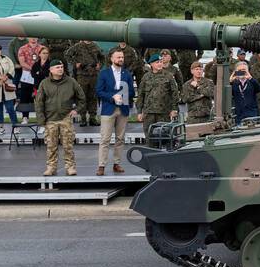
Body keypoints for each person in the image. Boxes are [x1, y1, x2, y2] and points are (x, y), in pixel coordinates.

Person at [34, 56, 84, 177]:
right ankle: (51, 167)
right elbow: (39, 102)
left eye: (62, 67)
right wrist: (41, 121)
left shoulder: (71, 81)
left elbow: (81, 98)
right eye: (57, 67)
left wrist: (76, 110)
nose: (60, 69)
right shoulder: (44, 83)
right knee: (51, 146)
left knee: (68, 145)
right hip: (50, 119)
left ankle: (70, 167)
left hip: (65, 117)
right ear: (51, 69)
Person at [95, 48, 135, 176]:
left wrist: (123, 95)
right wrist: (112, 96)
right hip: (108, 109)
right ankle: (101, 165)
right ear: (111, 59)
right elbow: (99, 91)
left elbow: (132, 92)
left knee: (120, 138)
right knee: (105, 138)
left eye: (122, 57)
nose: (121, 59)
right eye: (118, 57)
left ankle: (117, 163)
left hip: (123, 109)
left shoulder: (127, 74)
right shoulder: (104, 73)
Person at [136, 54, 178, 134]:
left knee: (164, 136)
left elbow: (174, 93)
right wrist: (139, 112)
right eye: (157, 62)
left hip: (164, 112)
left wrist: (174, 109)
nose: (159, 64)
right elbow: (141, 95)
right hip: (149, 112)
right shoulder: (146, 77)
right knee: (149, 135)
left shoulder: (168, 76)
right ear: (151, 64)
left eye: (161, 62)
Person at [66, 40, 104, 126]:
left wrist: (100, 65)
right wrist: (75, 63)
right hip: (82, 75)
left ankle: (92, 117)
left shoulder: (96, 46)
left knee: (93, 96)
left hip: (94, 74)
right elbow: (67, 55)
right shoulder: (78, 46)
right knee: (82, 97)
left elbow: (102, 57)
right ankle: (83, 118)